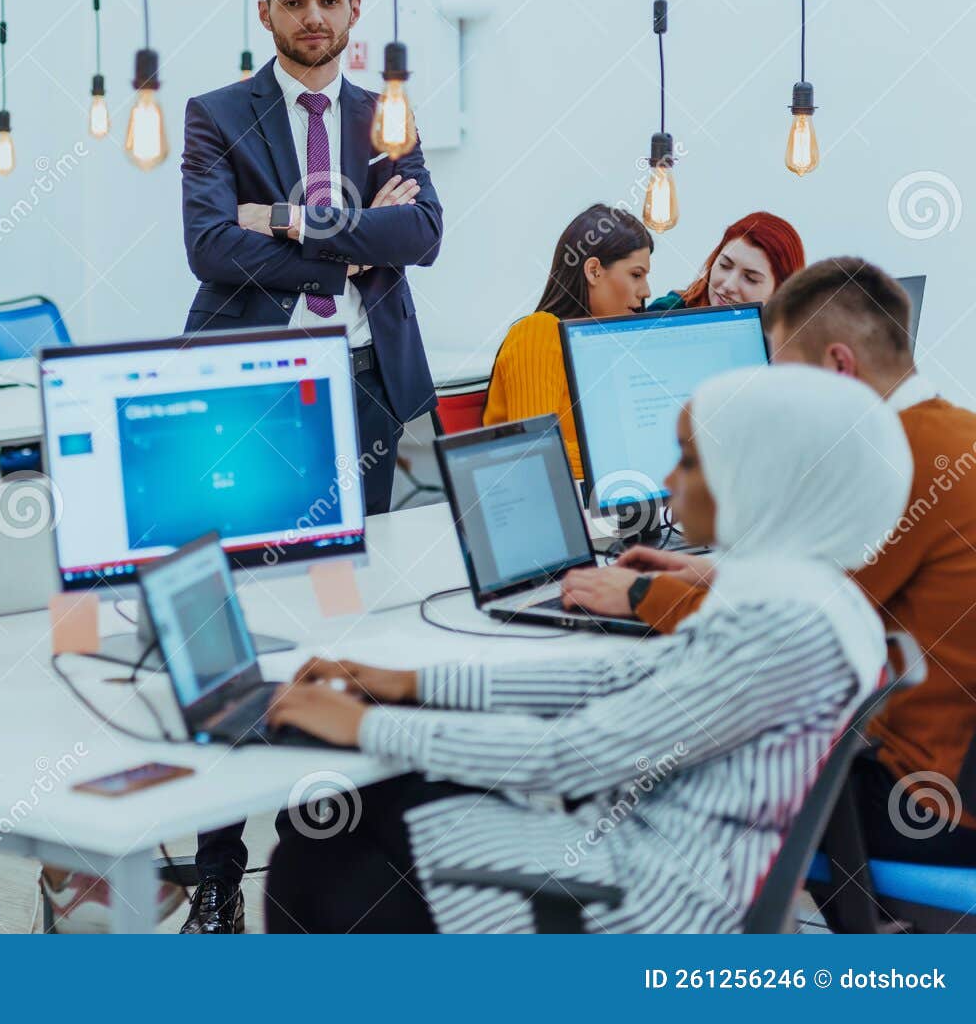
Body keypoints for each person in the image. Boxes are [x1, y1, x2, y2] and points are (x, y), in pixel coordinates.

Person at [264, 364, 910, 932]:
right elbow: (621, 677)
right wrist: (412, 685)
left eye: (689, 459)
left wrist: (370, 724)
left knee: (328, 859)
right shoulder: (807, 592)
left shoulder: (782, 624)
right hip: (664, 863)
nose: (667, 478)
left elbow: (575, 755)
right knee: (353, 816)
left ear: (759, 478)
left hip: (652, 904)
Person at [176, 0, 443, 933]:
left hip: (366, 382)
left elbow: (420, 234)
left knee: (344, 611)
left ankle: (331, 839)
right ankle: (213, 865)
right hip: (253, 386)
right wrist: (350, 247)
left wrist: (281, 223)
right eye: (293, 1)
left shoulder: (387, 119)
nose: (313, 18)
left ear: (354, 9)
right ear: (266, 11)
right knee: (234, 625)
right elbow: (208, 247)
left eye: (329, 0)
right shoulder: (215, 115)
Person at [564, 257, 976, 865]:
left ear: (839, 367)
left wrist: (634, 596)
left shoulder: (902, 459)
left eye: (785, 381)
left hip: (921, 803)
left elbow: (779, 631)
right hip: (939, 779)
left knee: (638, 787)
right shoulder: (951, 433)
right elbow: (834, 586)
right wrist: (715, 574)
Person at [482, 204, 653, 478]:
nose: (646, 291)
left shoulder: (607, 344)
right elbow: (537, 455)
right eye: (636, 275)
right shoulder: (538, 332)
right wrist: (633, 460)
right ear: (594, 271)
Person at [648, 210, 804, 310]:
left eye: (750, 278)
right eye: (724, 265)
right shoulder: (667, 312)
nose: (729, 285)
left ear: (781, 291)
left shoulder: (790, 347)